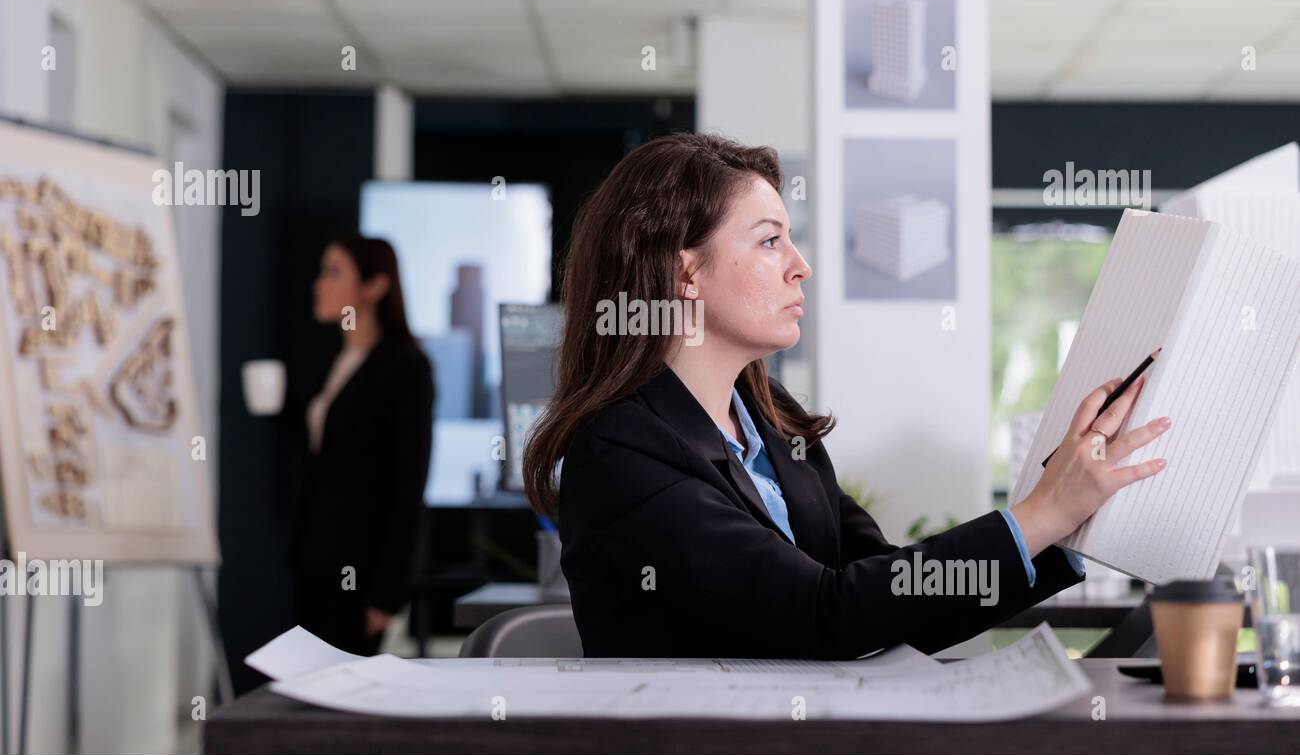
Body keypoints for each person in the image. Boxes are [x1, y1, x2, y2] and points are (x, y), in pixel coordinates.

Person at [523, 132, 1170, 659]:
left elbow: (892, 594)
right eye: (770, 240)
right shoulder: (619, 450)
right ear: (684, 271)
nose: (799, 264)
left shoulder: (771, 426)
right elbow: (821, 613)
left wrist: (1061, 514)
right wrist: (1042, 513)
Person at [288, 234, 435, 656]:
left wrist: (387, 591)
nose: (320, 284)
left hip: (359, 567)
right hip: (315, 559)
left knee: (342, 695)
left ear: (374, 287)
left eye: (334, 273)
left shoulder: (405, 368)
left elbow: (407, 483)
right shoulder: (336, 363)